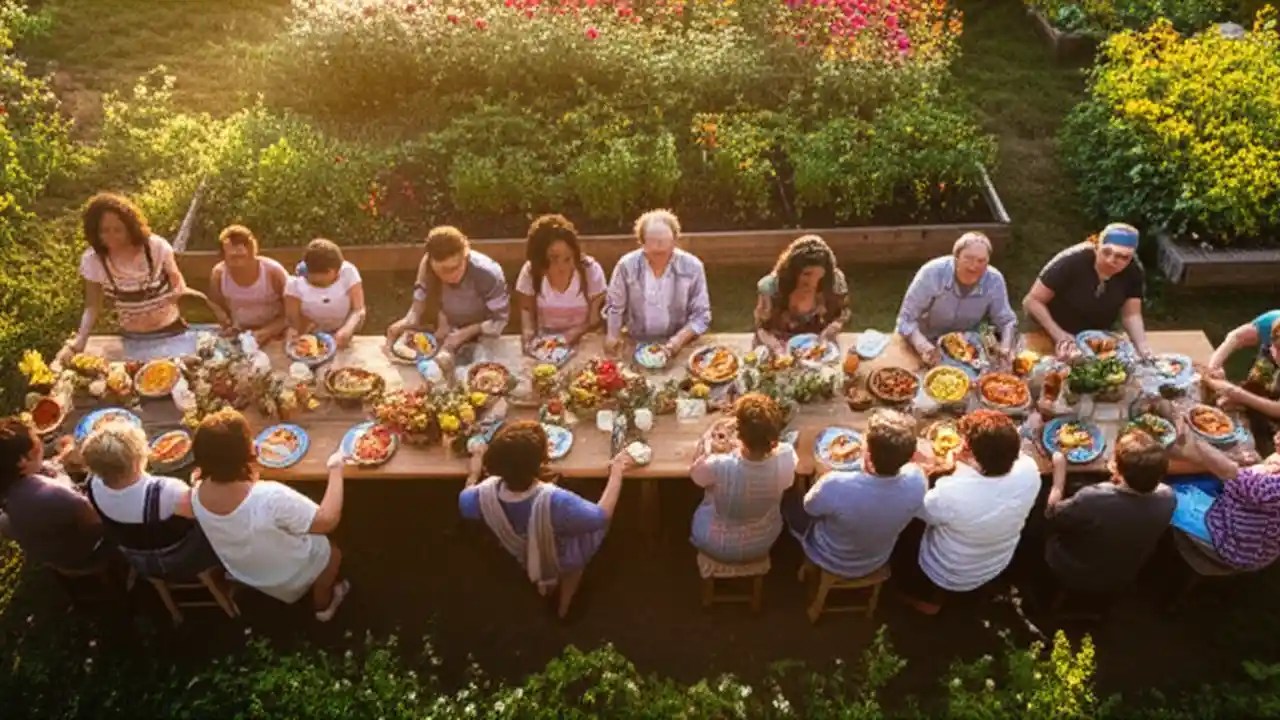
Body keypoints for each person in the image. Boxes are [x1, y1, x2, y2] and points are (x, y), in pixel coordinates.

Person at [459, 421, 633, 619]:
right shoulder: (556, 501)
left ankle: (548, 592)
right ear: (541, 461)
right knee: (590, 535)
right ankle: (564, 605)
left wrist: (473, 474)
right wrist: (617, 472)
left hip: (511, 548)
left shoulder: (480, 496)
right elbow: (600, 517)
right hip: (557, 554)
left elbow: (465, 501)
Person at [189, 409, 350, 621]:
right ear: (246, 451)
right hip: (290, 573)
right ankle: (324, 608)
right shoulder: (269, 497)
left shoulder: (196, 493)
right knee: (332, 553)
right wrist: (336, 469)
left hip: (249, 573)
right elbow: (328, 520)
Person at [58, 193, 224, 365]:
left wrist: (177, 292)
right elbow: (92, 305)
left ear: (130, 227)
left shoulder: (155, 247)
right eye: (104, 231)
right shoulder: (94, 260)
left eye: (118, 230)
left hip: (171, 330)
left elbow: (177, 280)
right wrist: (80, 339)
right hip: (133, 338)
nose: (111, 236)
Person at [902, 409, 1040, 615]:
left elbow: (918, 509)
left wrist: (922, 468)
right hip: (996, 562)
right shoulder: (1030, 471)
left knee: (906, 530)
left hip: (947, 569)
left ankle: (928, 603)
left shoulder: (952, 493)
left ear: (967, 450)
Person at [783, 409, 926, 579]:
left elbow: (810, 509)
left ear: (867, 456)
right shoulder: (917, 480)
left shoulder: (835, 483)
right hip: (876, 558)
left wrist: (820, 473)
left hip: (828, 555)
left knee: (792, 497)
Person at [80, 422, 222, 583]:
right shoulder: (167, 491)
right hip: (181, 560)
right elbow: (202, 513)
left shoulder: (91, 485)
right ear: (135, 460)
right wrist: (198, 485)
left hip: (138, 560)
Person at [1043, 432, 1175, 599]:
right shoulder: (1169, 497)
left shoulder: (1093, 498)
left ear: (1116, 469)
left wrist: (1058, 478)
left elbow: (1051, 513)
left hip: (1074, 568)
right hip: (1124, 572)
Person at [689, 394, 798, 564]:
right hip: (762, 541)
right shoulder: (785, 457)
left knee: (706, 496)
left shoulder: (720, 464)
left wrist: (712, 446)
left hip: (715, 541)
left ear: (739, 435)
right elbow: (787, 480)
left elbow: (697, 477)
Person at [1023, 223, 1152, 361]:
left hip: (1095, 339)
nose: (1111, 260)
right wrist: (1059, 334)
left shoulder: (1133, 271)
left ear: (1131, 257)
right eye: (1107, 252)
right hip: (1050, 331)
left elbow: (1131, 315)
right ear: (1097, 247)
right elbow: (1032, 301)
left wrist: (1142, 347)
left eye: (1123, 257)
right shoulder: (1071, 261)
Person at [896, 232, 1019, 365]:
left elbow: (1007, 321)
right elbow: (905, 320)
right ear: (956, 258)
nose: (973, 267)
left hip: (968, 346)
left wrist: (1006, 347)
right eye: (968, 258)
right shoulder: (931, 273)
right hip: (926, 340)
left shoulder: (994, 280)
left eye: (981, 261)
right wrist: (924, 347)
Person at [0, 418, 105, 572]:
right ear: (22, 462)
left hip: (48, 548)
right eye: (36, 443)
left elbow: (42, 468)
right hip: (84, 553)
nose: (41, 443)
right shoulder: (49, 493)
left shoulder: (8, 484)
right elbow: (95, 521)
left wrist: (61, 457)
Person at [604, 209, 711, 359]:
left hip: (680, 344)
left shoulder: (693, 267)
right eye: (654, 253)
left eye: (666, 252)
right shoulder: (626, 266)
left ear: (675, 241)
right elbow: (615, 306)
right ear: (642, 243)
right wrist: (612, 335)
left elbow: (701, 315)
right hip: (636, 341)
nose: (660, 258)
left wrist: (676, 343)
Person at [1174, 427, 1280, 572]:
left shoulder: (1270, 487)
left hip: (1234, 546)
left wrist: (1191, 437)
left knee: (1165, 493)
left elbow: (1228, 471)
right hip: (1257, 541)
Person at [514, 214, 606, 352]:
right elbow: (526, 309)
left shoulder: (590, 271)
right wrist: (528, 333)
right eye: (554, 259)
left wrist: (571, 335)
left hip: (583, 344)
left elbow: (595, 320)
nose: (562, 267)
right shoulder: (530, 272)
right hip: (546, 347)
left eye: (567, 259)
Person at [754, 235, 850, 355]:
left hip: (818, 344)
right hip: (776, 343)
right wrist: (775, 347)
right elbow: (762, 327)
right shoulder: (770, 288)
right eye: (807, 274)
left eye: (819, 276)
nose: (812, 283)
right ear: (792, 273)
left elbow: (841, 315)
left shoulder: (834, 284)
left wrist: (827, 334)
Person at [1203, 322, 1280, 455]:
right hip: (1257, 395)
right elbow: (1236, 337)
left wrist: (1237, 394)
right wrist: (1214, 368)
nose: (1277, 356)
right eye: (1276, 347)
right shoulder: (1276, 321)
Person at [207, 224, 289, 345]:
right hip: (240, 334)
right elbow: (215, 304)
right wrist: (225, 320)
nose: (239, 263)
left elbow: (292, 312)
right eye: (233, 257)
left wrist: (268, 331)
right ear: (223, 256)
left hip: (277, 334)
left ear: (252, 252)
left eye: (242, 256)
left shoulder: (273, 272)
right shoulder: (219, 274)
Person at [284, 238, 366, 350]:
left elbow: (359, 310)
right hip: (311, 339)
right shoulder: (294, 284)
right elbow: (293, 322)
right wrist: (297, 331)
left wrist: (348, 329)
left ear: (333, 271)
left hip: (342, 335)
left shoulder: (348, 272)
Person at [1207, 308, 1280, 379]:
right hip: (1268, 350)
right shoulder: (1266, 324)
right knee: (1258, 383)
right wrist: (1214, 366)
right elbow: (1234, 337)